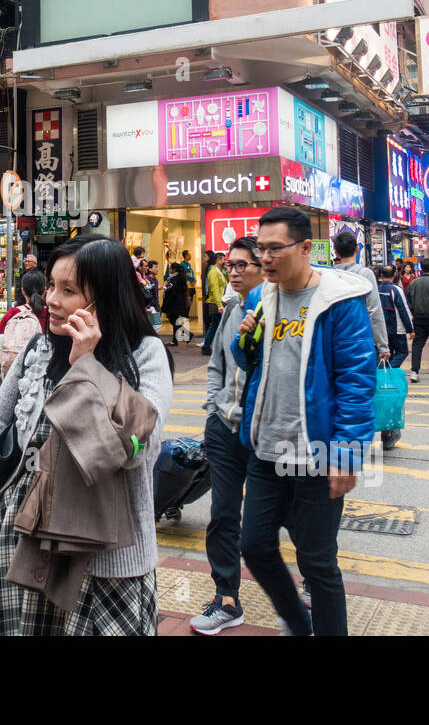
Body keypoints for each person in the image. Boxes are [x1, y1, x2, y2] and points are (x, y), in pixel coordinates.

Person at [0, 235, 173, 636]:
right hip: (23, 538)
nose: (50, 299)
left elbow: (138, 452)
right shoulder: (38, 350)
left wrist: (86, 365)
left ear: (103, 298)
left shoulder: (145, 355)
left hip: (105, 556)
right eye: (51, 285)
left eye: (68, 291)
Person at [229, 207, 375, 637]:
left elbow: (355, 380)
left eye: (275, 248)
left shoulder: (340, 302)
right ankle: (298, 623)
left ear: (307, 248)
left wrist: (347, 454)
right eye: (262, 249)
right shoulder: (261, 297)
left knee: (317, 563)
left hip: (315, 452)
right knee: (254, 546)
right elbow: (247, 362)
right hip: (266, 448)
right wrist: (244, 337)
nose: (266, 259)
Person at [190, 237, 258, 635]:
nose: (233, 272)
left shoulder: (278, 309)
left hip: (262, 431)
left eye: (241, 265)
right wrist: (217, 406)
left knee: (278, 517)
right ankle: (227, 598)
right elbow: (216, 363)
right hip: (223, 427)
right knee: (223, 515)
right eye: (229, 265)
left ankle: (307, 591)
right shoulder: (232, 308)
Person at [332, 232, 390, 362]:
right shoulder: (365, 274)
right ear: (357, 250)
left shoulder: (329, 275)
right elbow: (374, 311)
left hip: (335, 339)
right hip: (360, 339)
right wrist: (382, 345)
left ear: (336, 253)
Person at [0, 270, 46, 373]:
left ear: (23, 291)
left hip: (15, 374)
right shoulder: (52, 316)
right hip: (43, 375)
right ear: (44, 291)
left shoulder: (13, 314)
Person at [377, 265, 414, 369]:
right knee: (402, 352)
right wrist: (410, 329)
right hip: (396, 328)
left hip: (381, 329)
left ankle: (385, 373)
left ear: (381, 275)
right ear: (394, 275)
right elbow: (403, 309)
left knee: (387, 353)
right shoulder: (396, 289)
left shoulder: (376, 289)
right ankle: (389, 371)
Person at [201, 253, 228, 356]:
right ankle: (207, 346)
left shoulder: (220, 271)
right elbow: (215, 289)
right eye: (223, 259)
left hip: (218, 302)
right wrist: (219, 304)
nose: (224, 261)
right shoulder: (213, 272)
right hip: (214, 303)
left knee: (216, 325)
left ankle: (209, 346)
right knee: (215, 325)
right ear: (218, 260)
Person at [161, 262, 189, 345]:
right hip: (178, 302)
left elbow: (172, 291)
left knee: (173, 320)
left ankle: (180, 338)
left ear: (173, 269)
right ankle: (176, 340)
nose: (169, 270)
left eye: (170, 268)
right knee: (174, 320)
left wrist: (166, 301)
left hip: (173, 302)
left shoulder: (173, 278)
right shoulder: (180, 276)